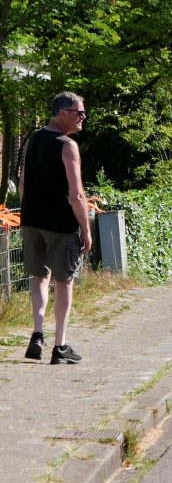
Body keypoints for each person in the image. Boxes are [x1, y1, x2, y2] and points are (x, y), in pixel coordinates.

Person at [19, 91, 92, 364]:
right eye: (79, 112)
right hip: (61, 224)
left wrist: (28, 212)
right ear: (62, 113)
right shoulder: (67, 145)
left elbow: (23, 181)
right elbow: (76, 194)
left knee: (39, 277)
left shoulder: (34, 140)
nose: (83, 117)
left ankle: (37, 334)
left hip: (32, 221)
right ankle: (60, 346)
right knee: (65, 282)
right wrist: (86, 229)